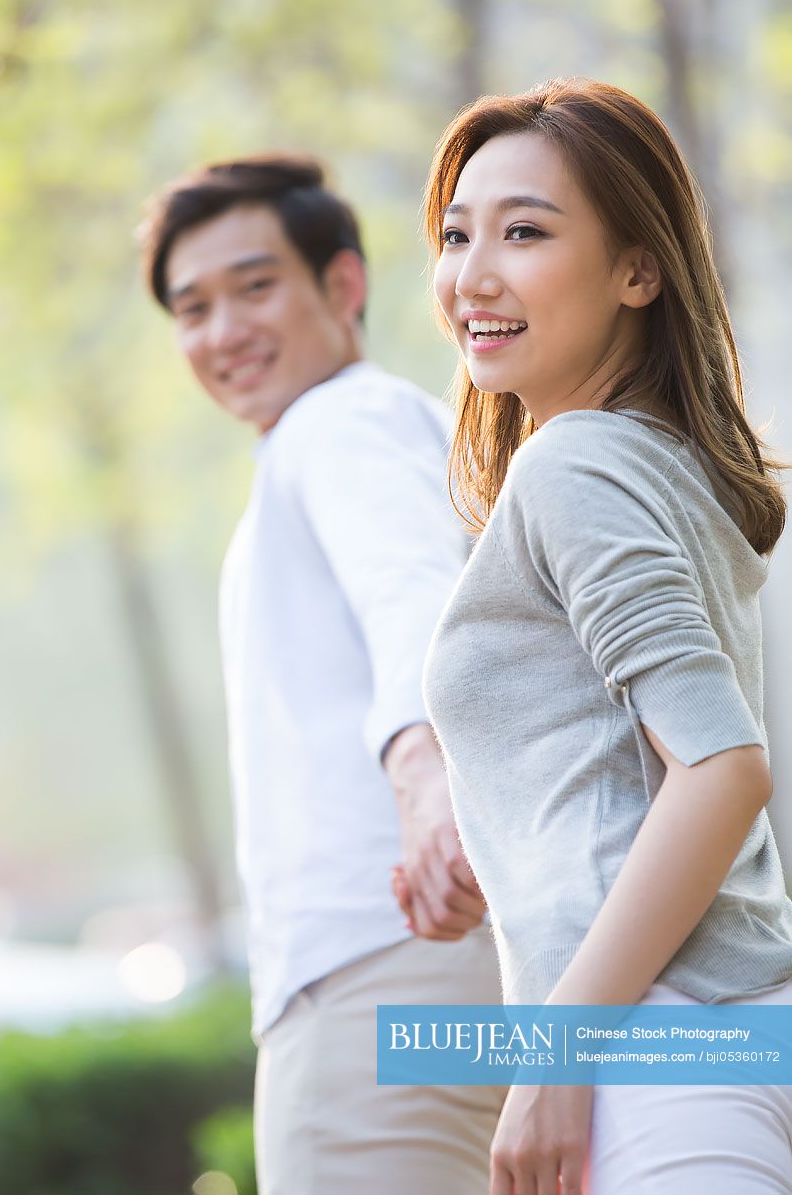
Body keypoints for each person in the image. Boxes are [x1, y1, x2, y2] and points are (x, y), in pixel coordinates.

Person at [418, 78, 792, 1194]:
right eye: (455, 233)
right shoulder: (663, 465)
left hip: (656, 1036)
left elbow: (723, 767)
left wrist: (555, 1058)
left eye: (525, 232)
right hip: (716, 1025)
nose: (473, 274)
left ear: (639, 269)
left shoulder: (577, 462)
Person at [138, 156, 505, 1194]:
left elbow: (415, 601)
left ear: (343, 286)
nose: (222, 333)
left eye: (255, 287)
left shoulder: (336, 423)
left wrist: (427, 782)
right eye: (191, 307)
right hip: (461, 963)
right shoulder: (411, 434)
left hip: (369, 968)